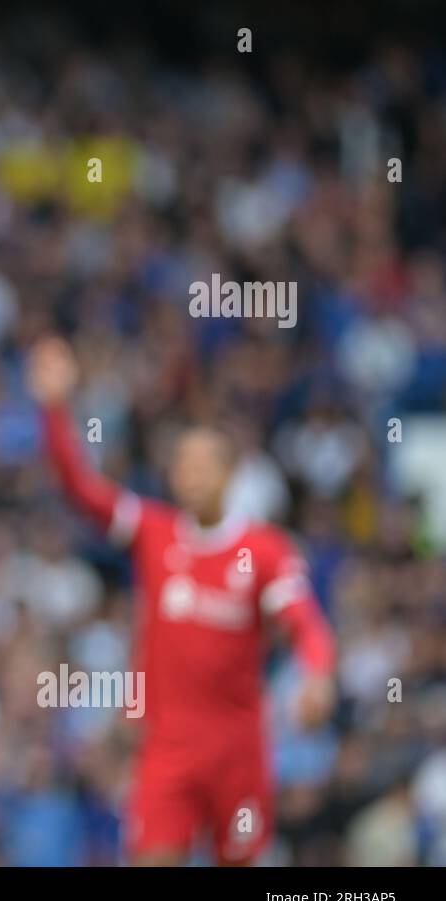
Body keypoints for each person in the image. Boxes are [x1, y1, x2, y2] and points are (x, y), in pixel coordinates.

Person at [27, 336, 337, 865]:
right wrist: (54, 406)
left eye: (203, 464)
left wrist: (317, 672)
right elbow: (81, 488)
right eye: (182, 464)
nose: (190, 474)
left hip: (238, 750)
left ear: (230, 473)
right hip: (167, 751)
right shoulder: (155, 532)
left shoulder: (263, 550)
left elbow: (305, 620)